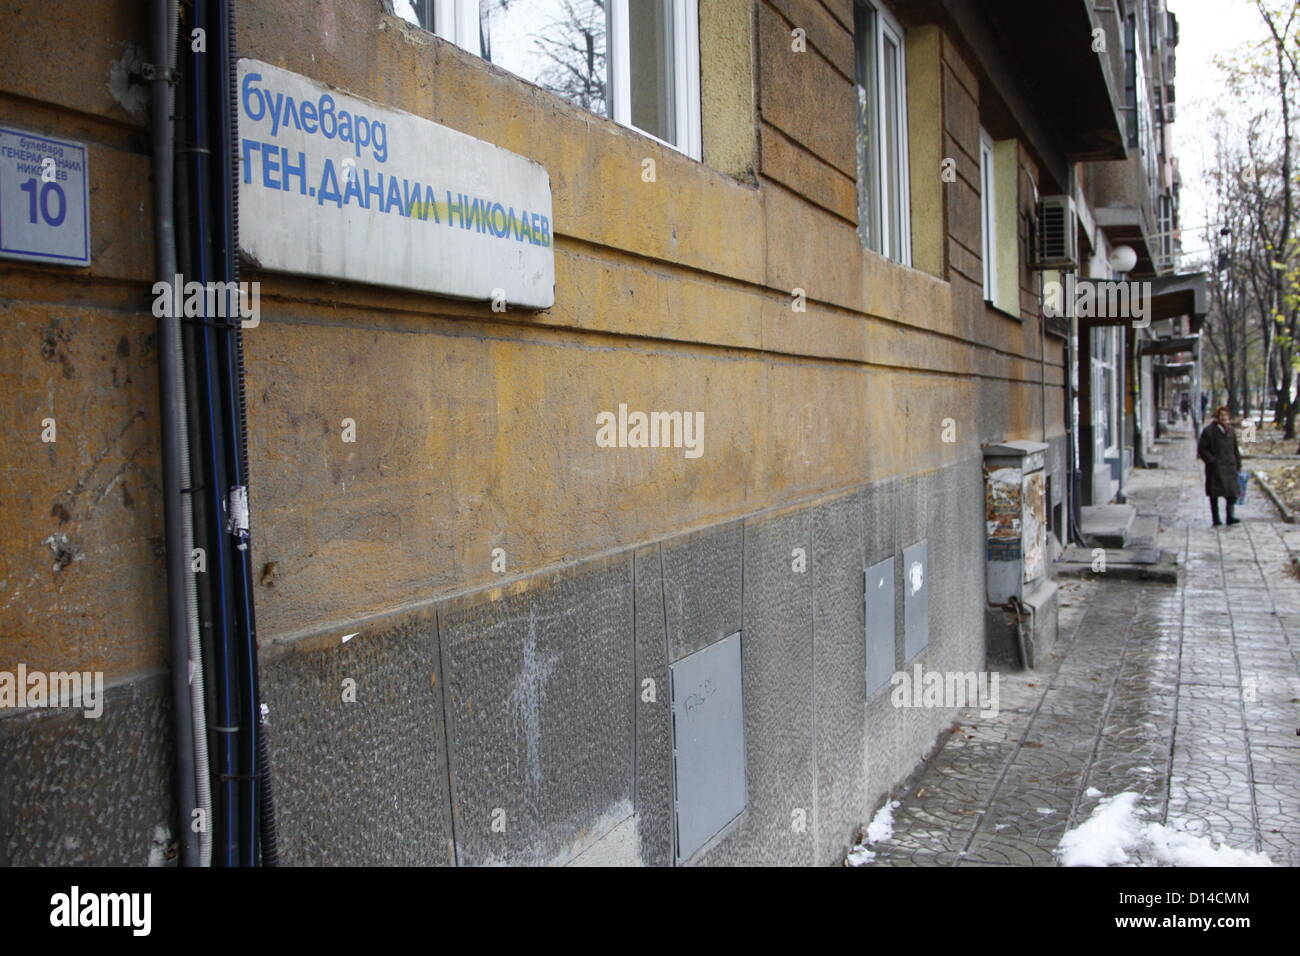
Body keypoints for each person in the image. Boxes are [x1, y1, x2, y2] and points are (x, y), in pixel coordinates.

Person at [1197, 406, 1242, 527]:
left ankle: (1230, 516)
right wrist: (1211, 461)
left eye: (1226, 416)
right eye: (1221, 415)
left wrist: (1238, 463)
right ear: (1217, 417)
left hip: (1230, 466)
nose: (1224, 418)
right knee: (1214, 493)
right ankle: (1216, 519)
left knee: (1232, 493)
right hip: (1215, 468)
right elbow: (1202, 449)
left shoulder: (1230, 431)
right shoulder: (1209, 431)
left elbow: (1235, 449)